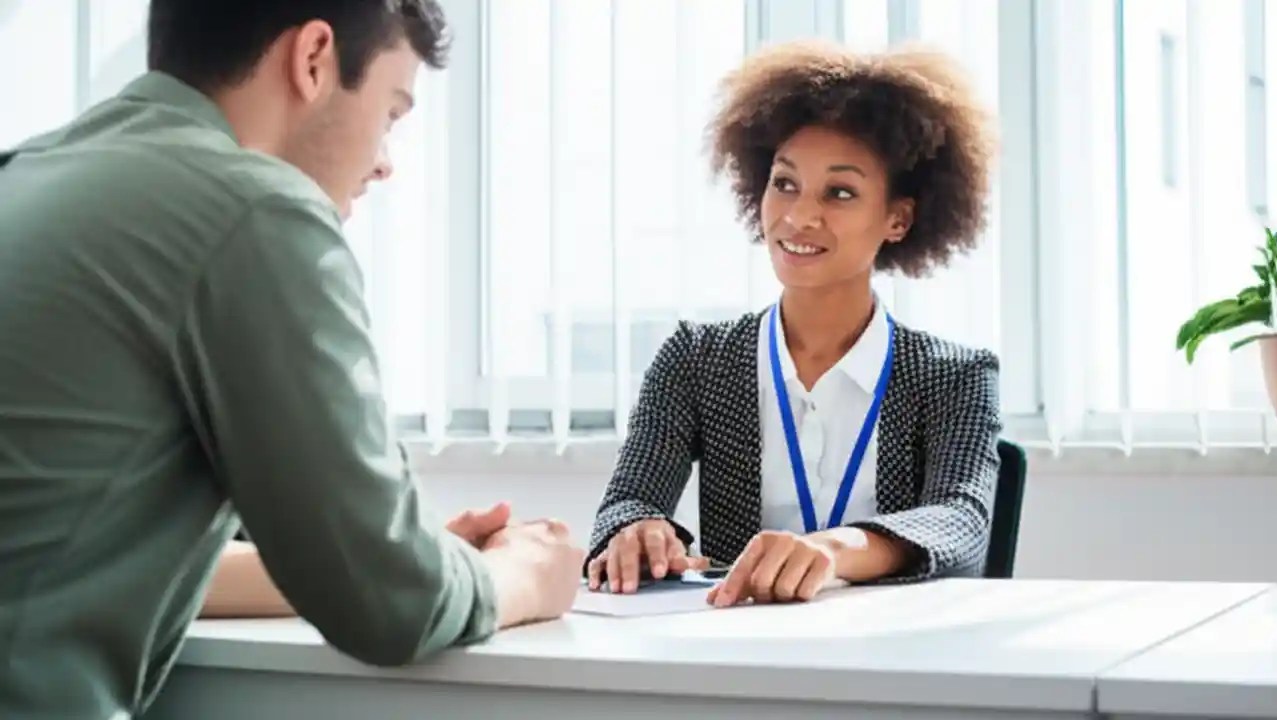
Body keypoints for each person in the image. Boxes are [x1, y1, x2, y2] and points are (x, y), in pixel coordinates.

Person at [0, 1, 584, 717]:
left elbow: (82, 554)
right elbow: (390, 603)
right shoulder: (253, 209)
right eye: (392, 112)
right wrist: (519, 575)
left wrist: (414, 550)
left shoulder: (29, 172)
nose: (386, 163)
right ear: (313, 58)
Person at [586, 41, 1001, 606]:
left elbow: (962, 523)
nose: (799, 216)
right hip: (745, 655)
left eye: (840, 192)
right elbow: (627, 501)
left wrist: (835, 550)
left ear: (898, 219)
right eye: (784, 183)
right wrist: (637, 531)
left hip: (899, 655)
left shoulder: (956, 375)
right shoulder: (696, 358)